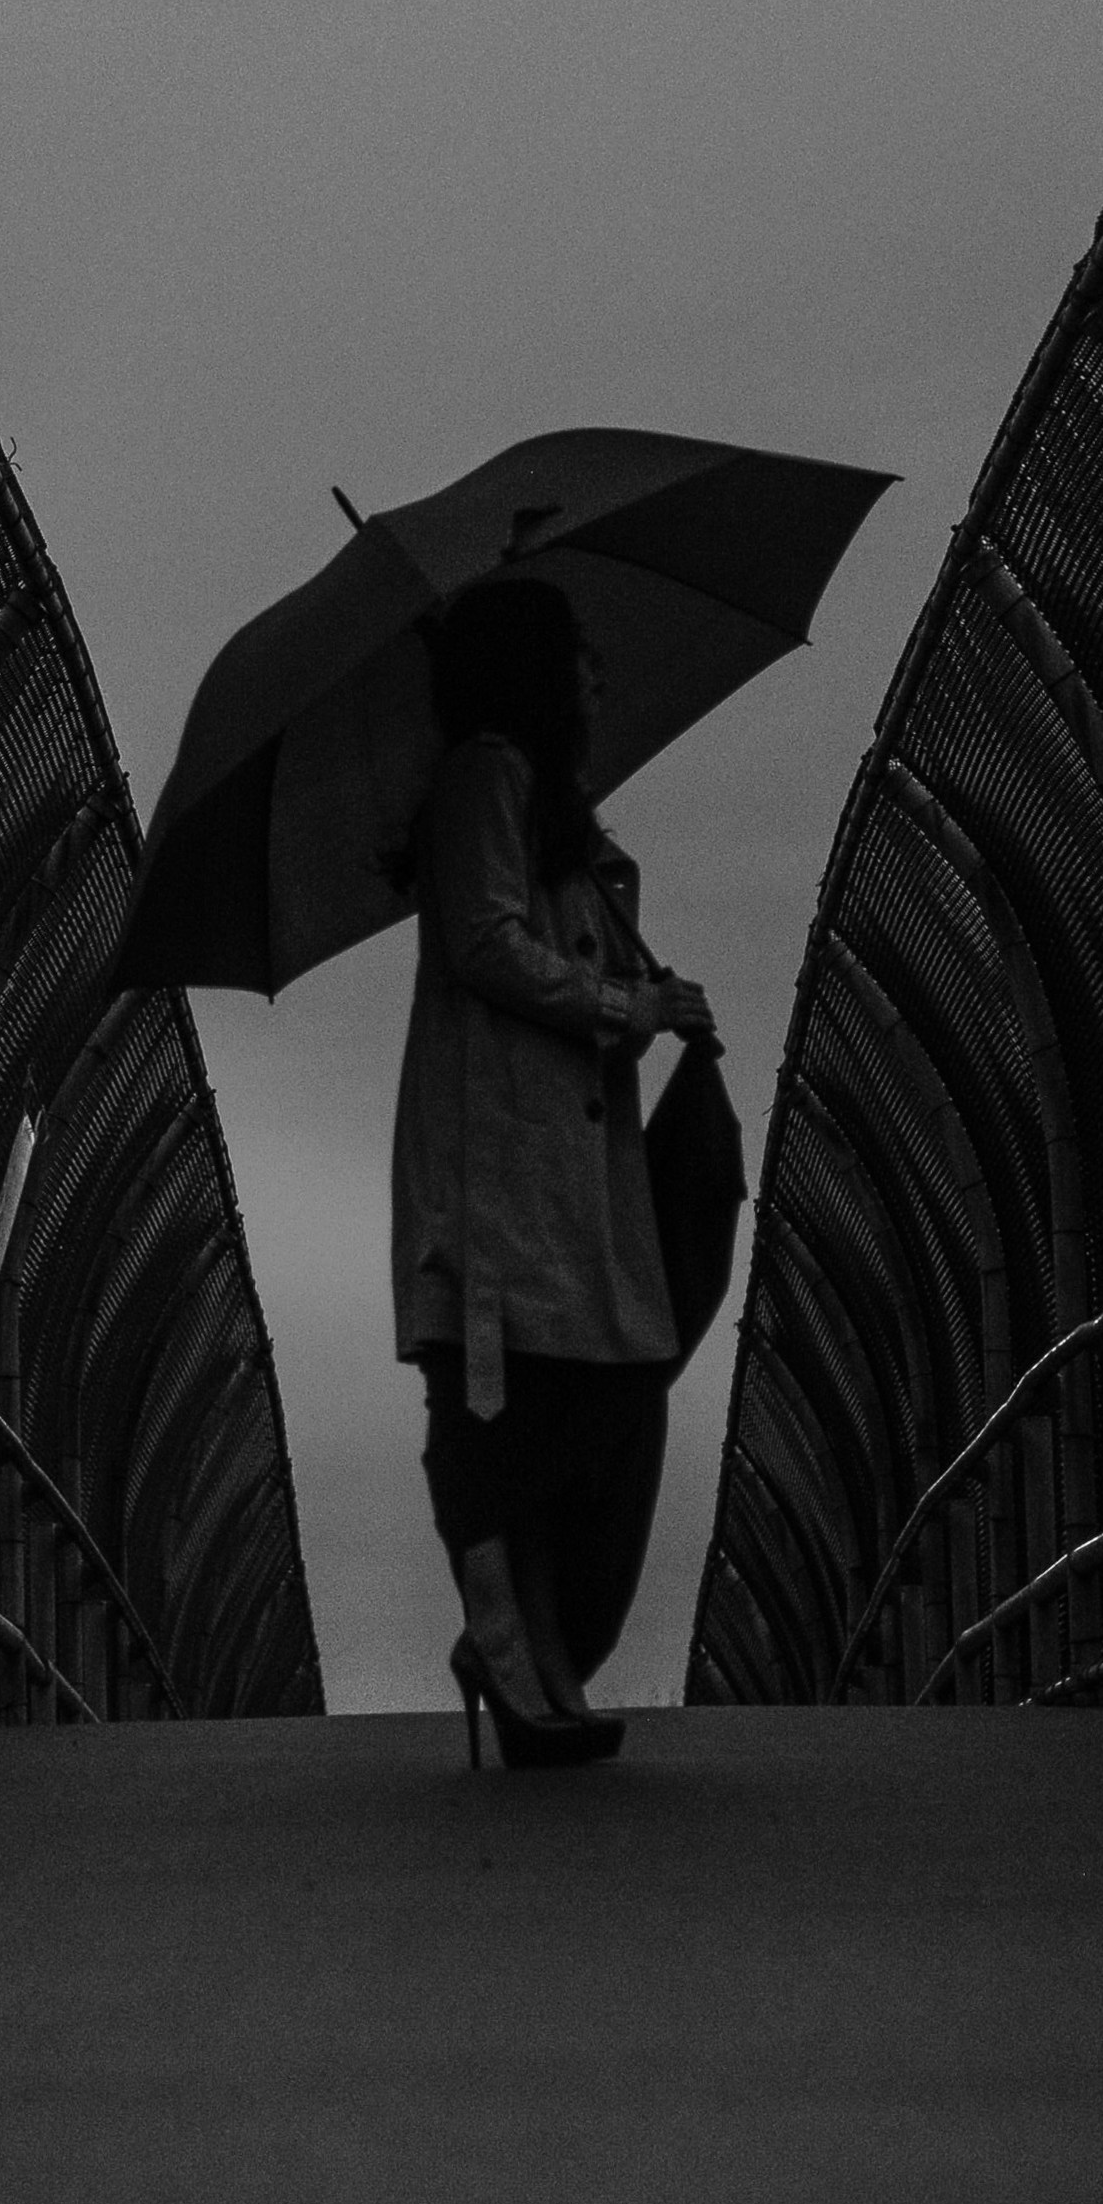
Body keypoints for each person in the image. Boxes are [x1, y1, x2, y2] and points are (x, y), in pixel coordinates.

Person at [389, 577, 715, 1767]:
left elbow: (540, 953)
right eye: (577, 654)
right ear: (531, 671)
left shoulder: (544, 802)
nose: (598, 677)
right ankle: (516, 1653)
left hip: (558, 1171)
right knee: (500, 1410)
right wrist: (623, 1002)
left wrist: (644, 1006)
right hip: (501, 1167)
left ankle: (532, 1653)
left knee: (574, 1409)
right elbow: (483, 943)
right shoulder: (487, 774)